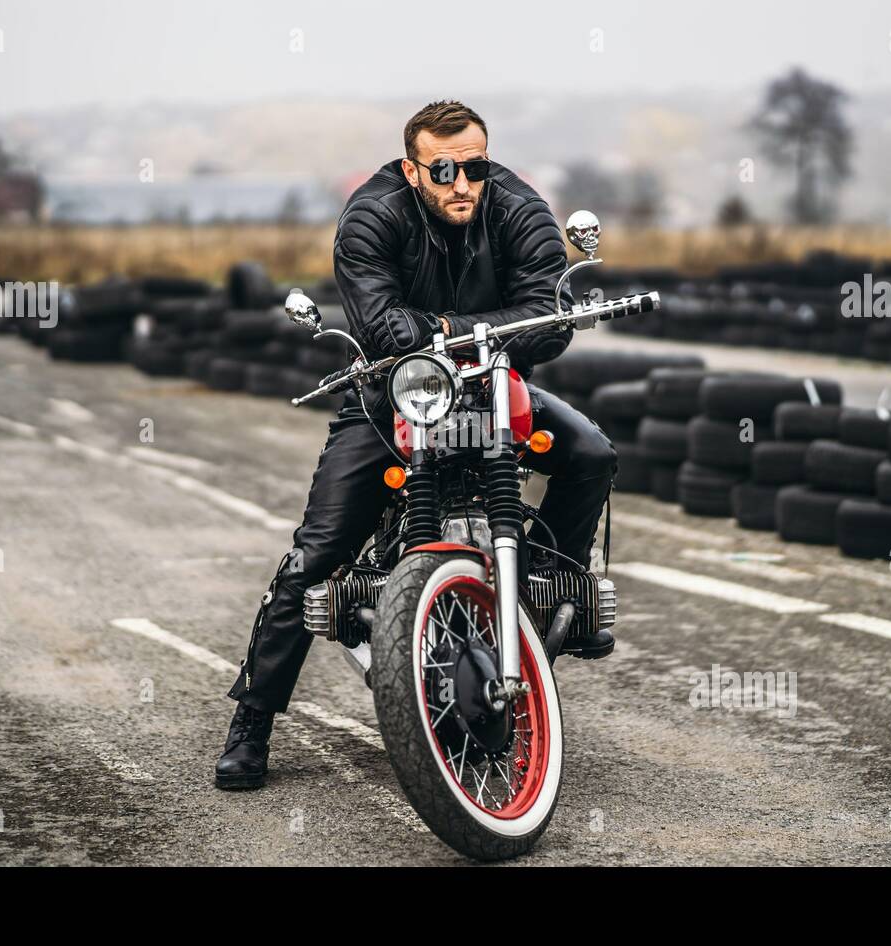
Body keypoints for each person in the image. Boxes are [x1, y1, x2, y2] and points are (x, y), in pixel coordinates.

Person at [216, 100, 617, 790]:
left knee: (591, 454)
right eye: (444, 169)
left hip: (496, 387)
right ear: (413, 168)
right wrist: (488, 326)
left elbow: (551, 323)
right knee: (317, 552)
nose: (463, 182)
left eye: (476, 166)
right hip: (393, 397)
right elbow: (382, 329)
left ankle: (554, 592)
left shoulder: (518, 206)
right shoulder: (373, 215)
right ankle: (252, 720)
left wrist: (446, 328)